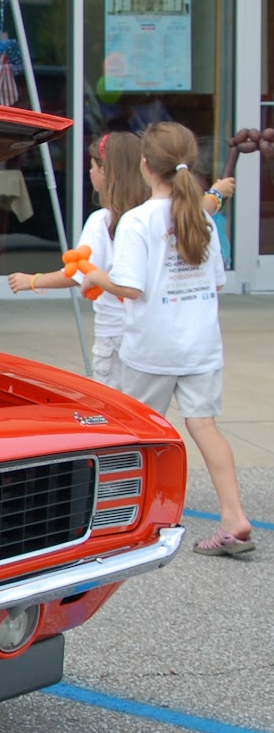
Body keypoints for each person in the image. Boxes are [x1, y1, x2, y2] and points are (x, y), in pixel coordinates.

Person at [80, 122, 254, 557]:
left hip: (152, 347)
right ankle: (233, 516)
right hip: (200, 345)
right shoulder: (203, 217)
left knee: (133, 431)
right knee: (204, 426)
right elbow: (215, 283)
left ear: (144, 165)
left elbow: (131, 287)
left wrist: (99, 277)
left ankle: (116, 520)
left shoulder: (138, 221)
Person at [7, 131, 233, 388]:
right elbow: (202, 210)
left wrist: (33, 280)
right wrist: (216, 193)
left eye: (92, 166)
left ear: (106, 172)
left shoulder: (106, 221)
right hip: (155, 334)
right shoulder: (171, 214)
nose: (89, 172)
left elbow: (78, 273)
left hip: (116, 333)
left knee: (119, 412)